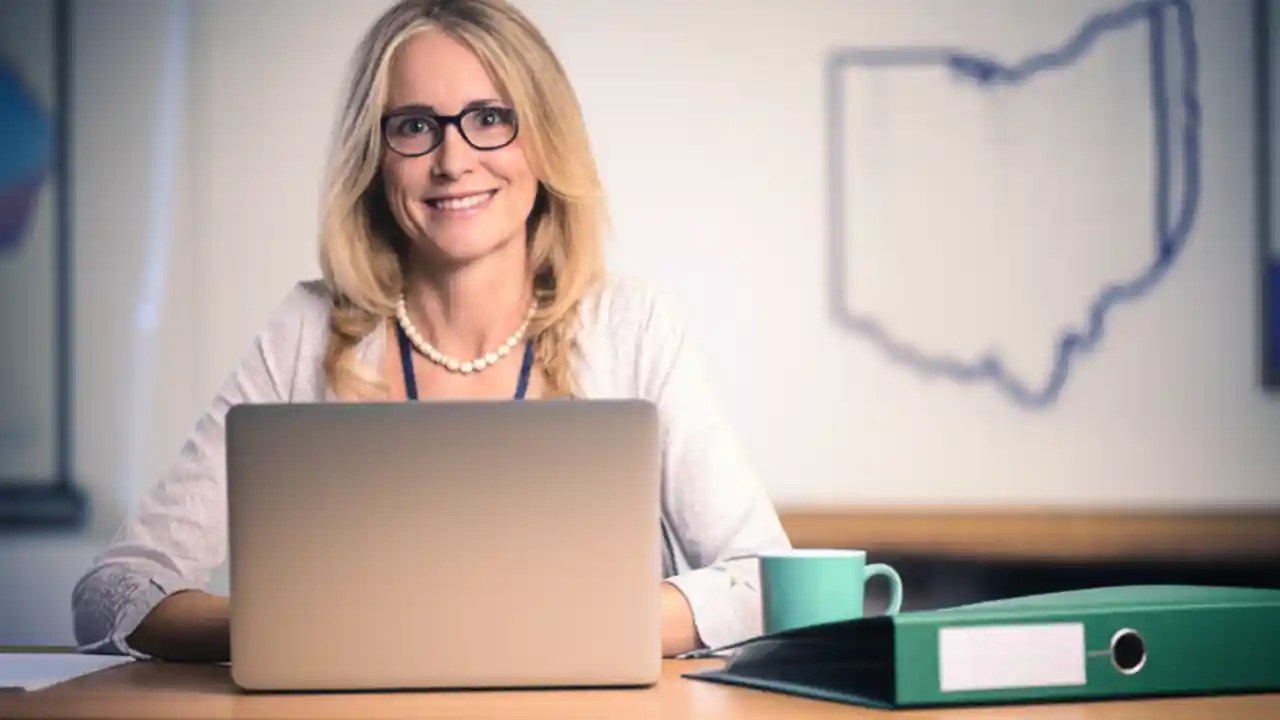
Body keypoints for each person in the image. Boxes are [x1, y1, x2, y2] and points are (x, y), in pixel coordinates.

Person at [71, 0, 791, 662]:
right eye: (415, 126)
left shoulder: (631, 327)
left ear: (545, 139)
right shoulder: (308, 329)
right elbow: (115, 591)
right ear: (375, 155)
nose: (453, 161)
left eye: (490, 118)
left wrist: (530, 628)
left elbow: (768, 585)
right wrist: (294, 627)